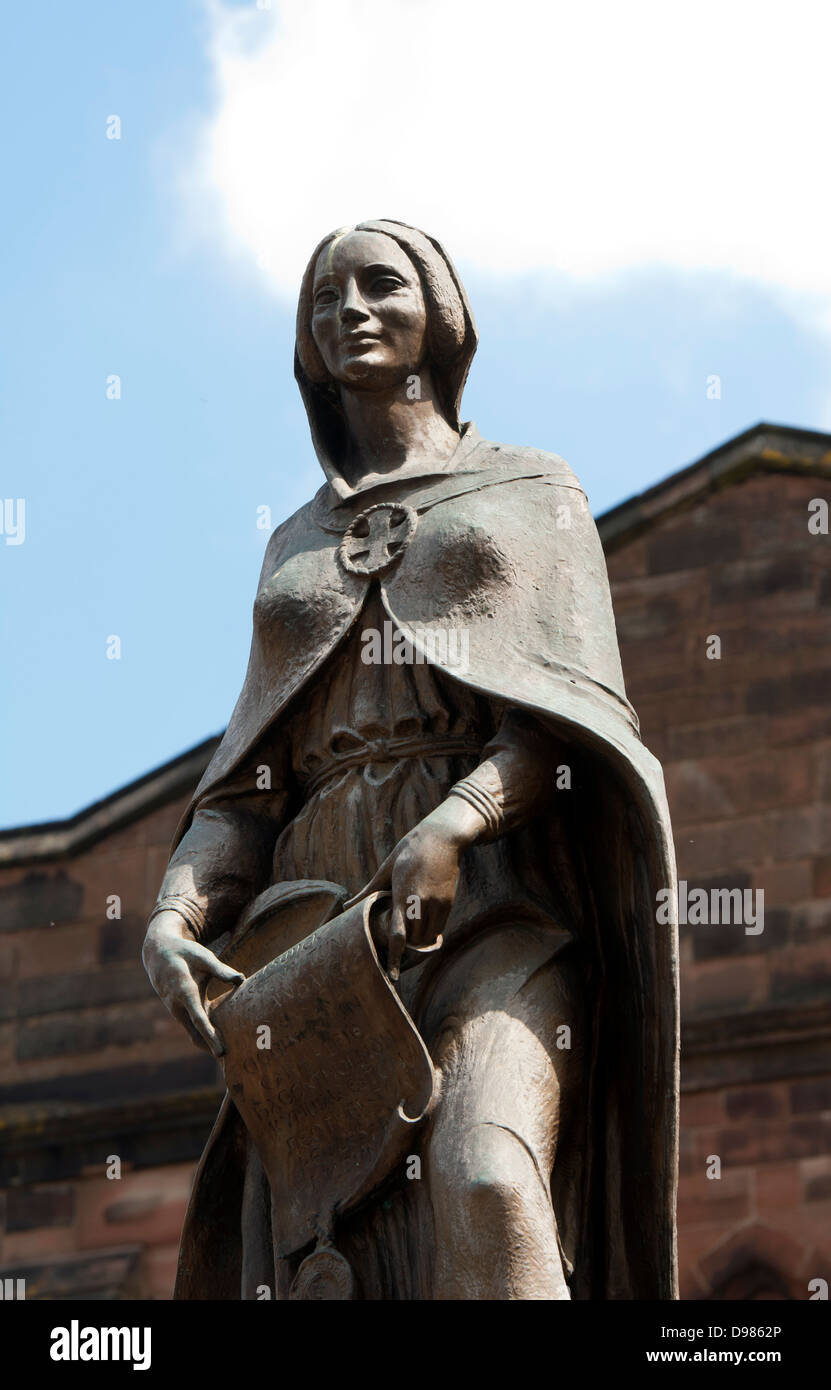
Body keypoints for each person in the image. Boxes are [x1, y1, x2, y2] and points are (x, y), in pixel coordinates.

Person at [142, 220, 679, 1300]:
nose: (349, 310)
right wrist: (172, 915)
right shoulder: (293, 543)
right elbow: (247, 786)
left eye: (379, 284)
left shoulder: (531, 489)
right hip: (317, 938)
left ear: (438, 312)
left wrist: (458, 818)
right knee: (336, 1263)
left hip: (494, 905)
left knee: (485, 1175)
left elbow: (572, 722)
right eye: (322, 299)